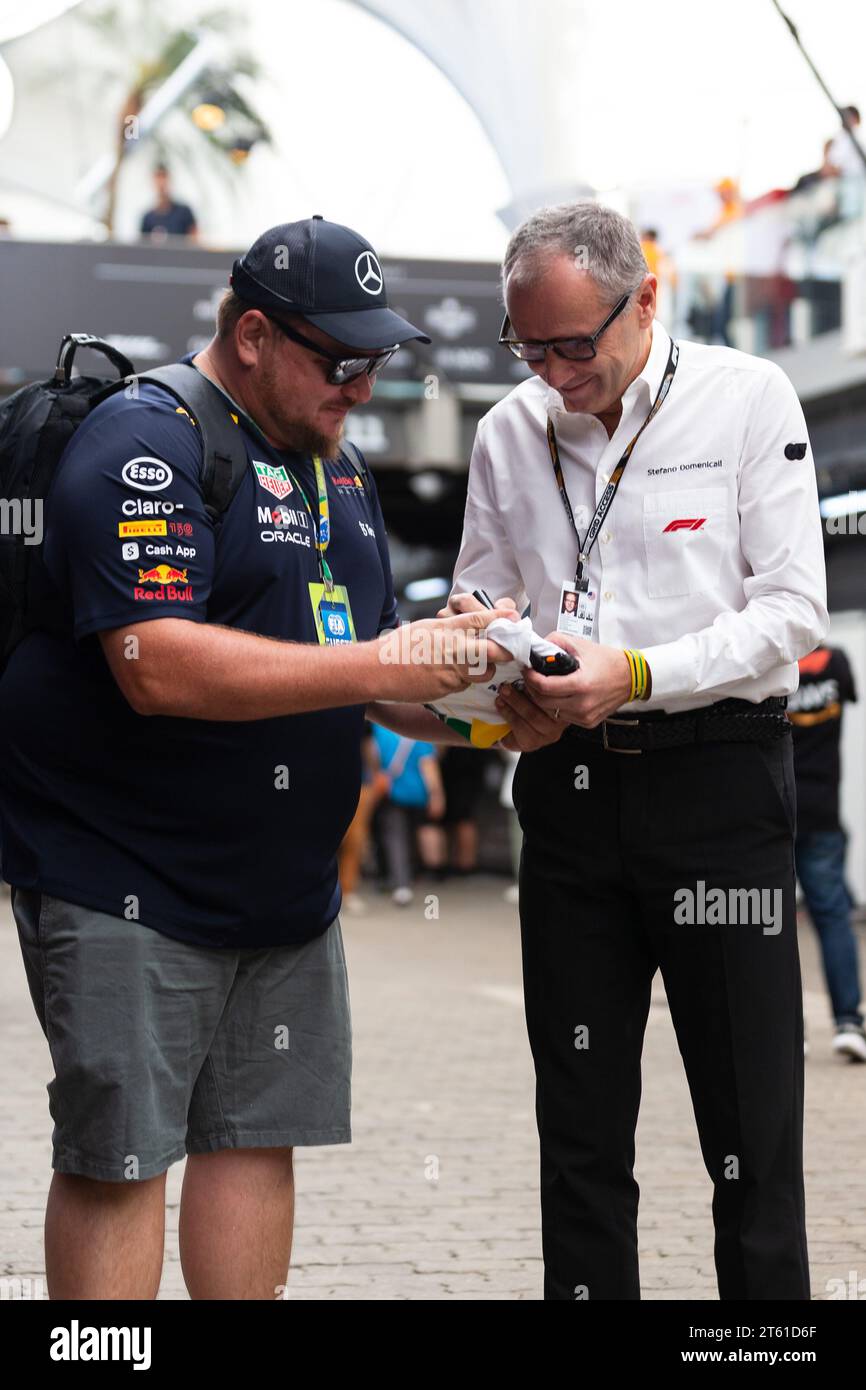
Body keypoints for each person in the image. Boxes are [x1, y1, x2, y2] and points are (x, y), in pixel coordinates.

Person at [0, 214, 521, 1301]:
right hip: (122, 881)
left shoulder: (341, 474)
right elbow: (158, 665)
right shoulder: (144, 442)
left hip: (282, 900)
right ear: (248, 335)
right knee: (121, 1158)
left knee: (253, 1139)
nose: (360, 389)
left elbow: (371, 679)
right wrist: (384, 655)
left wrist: (495, 706)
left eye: (375, 364)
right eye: (339, 363)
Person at [442, 201, 827, 1300]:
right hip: (563, 791)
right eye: (529, 347)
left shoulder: (746, 399)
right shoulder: (506, 431)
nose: (553, 375)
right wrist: (485, 634)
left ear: (644, 297)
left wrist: (638, 672)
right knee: (577, 1133)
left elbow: (792, 610)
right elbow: (484, 586)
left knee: (749, 1132)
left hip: (717, 782)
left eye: (574, 344)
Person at [788, 644, 866, 1060]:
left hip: (777, 810)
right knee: (833, 916)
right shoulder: (835, 662)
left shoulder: (773, 667)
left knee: (771, 923)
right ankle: (849, 1023)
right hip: (823, 811)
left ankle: (787, 1031)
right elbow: (849, 694)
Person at [371, 725, 444, 906]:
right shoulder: (418, 731)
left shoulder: (380, 729)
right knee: (411, 836)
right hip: (417, 793)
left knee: (394, 838)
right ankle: (409, 876)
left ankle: (399, 882)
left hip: (391, 791)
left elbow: (372, 756)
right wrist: (436, 794)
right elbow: (429, 767)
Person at [140, 163, 198, 241]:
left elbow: (195, 240)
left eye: (164, 176)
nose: (161, 183)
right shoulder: (148, 218)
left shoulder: (184, 213)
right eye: (158, 177)